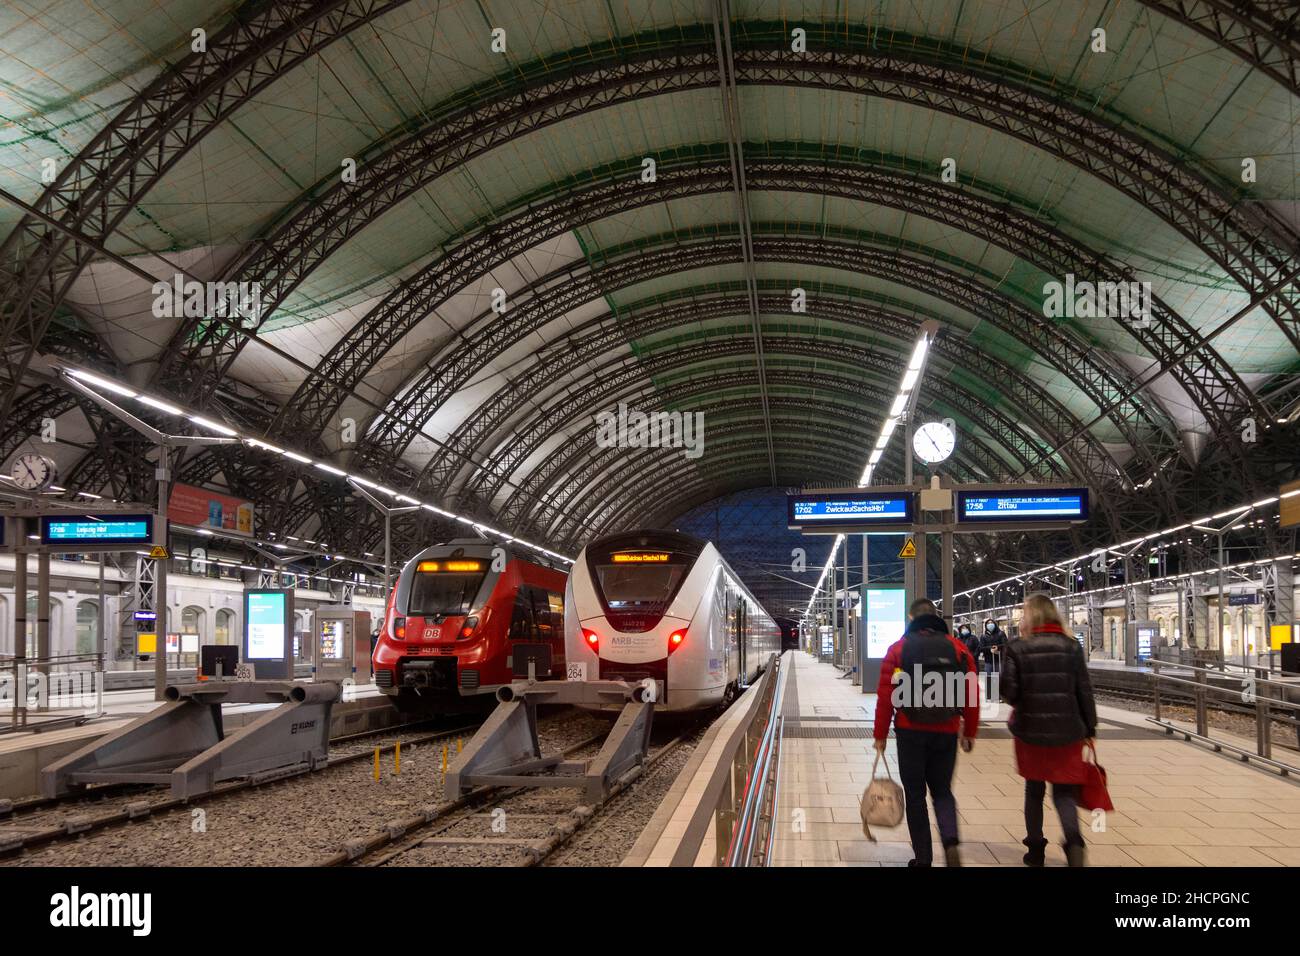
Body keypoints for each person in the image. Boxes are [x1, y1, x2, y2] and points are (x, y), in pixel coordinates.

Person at [874, 598, 980, 867]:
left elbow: (887, 696)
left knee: (915, 794)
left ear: (911, 619)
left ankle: (923, 858)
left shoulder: (899, 649)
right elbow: (971, 693)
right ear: (935, 616)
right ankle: (951, 842)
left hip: (910, 732)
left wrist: (880, 734)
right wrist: (970, 730)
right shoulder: (958, 648)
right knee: (942, 791)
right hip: (946, 730)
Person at [1001, 593, 1098, 867]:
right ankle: (1075, 843)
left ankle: (1035, 851)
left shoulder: (1018, 646)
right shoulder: (1071, 646)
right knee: (1064, 792)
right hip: (1068, 731)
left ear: (1030, 616)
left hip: (1030, 731)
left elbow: (1009, 692)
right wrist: (1090, 729)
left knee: (1034, 790)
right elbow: (1084, 690)